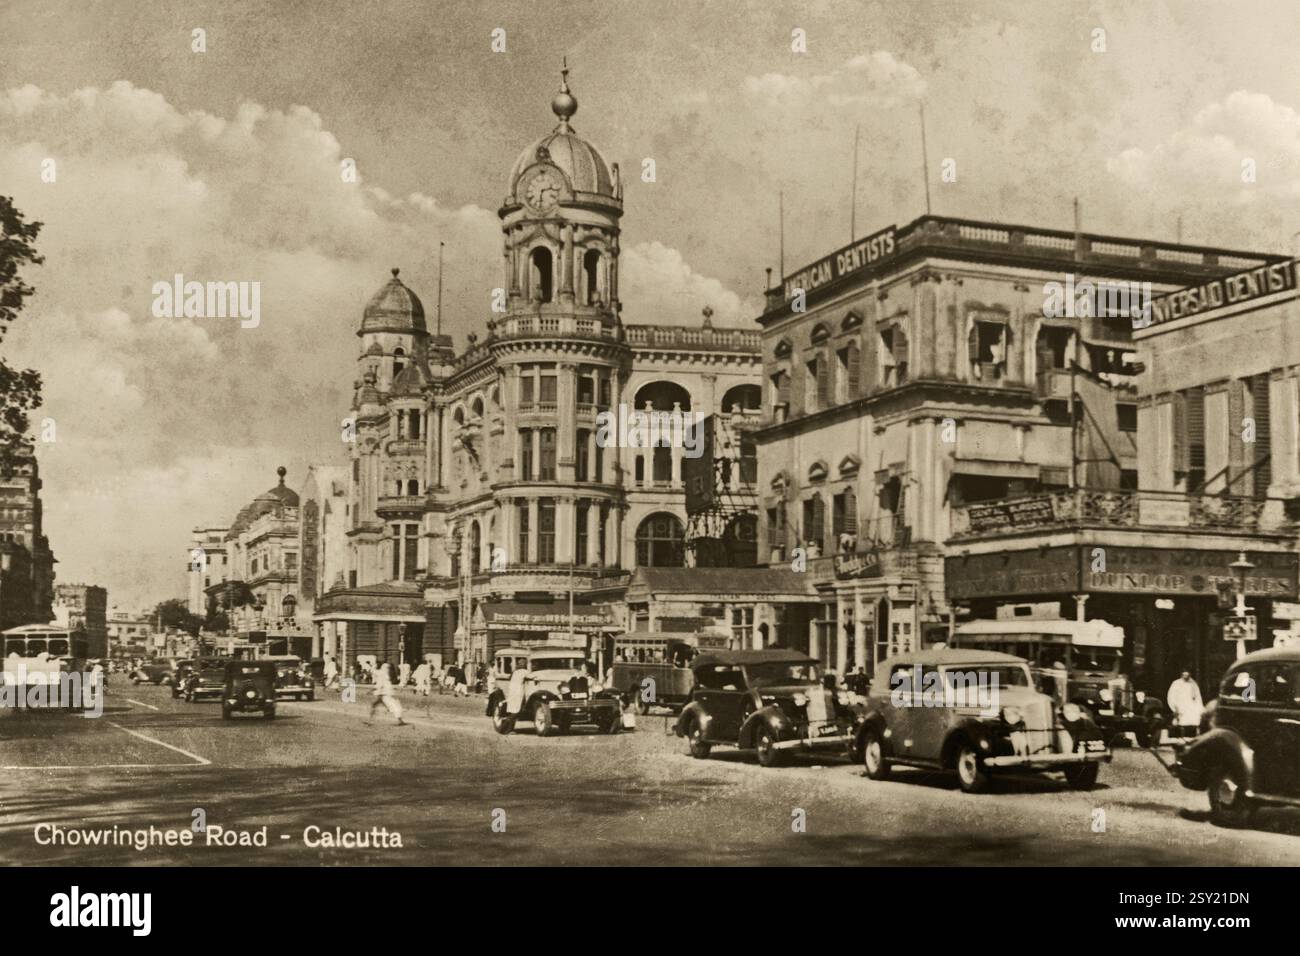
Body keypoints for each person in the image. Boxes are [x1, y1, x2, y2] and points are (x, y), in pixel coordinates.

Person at [368, 660, 409, 726]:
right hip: (384, 693)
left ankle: (371, 721)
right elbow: (375, 672)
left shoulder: (382, 673)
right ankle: (370, 721)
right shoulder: (384, 673)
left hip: (384, 694)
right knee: (376, 705)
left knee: (391, 706)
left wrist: (372, 690)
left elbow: (375, 675)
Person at [1167, 670, 1203, 738]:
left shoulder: (1193, 683)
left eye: (1187, 675)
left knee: (1194, 719)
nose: (1185, 677)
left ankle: (1192, 736)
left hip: (1190, 704)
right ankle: (1181, 736)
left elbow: (1197, 696)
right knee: (1181, 721)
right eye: (1184, 675)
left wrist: (1199, 706)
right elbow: (1171, 695)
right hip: (1180, 704)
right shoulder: (1176, 683)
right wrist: (1174, 706)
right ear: (1181, 675)